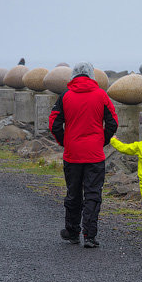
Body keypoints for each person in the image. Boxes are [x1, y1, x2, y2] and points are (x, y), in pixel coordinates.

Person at [49, 62, 118, 248]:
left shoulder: (65, 96)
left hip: (72, 154)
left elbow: (54, 123)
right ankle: (89, 235)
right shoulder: (101, 95)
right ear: (91, 75)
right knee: (93, 194)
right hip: (95, 154)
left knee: (73, 193)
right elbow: (113, 122)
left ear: (73, 75)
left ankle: (72, 232)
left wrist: (65, 141)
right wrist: (101, 140)